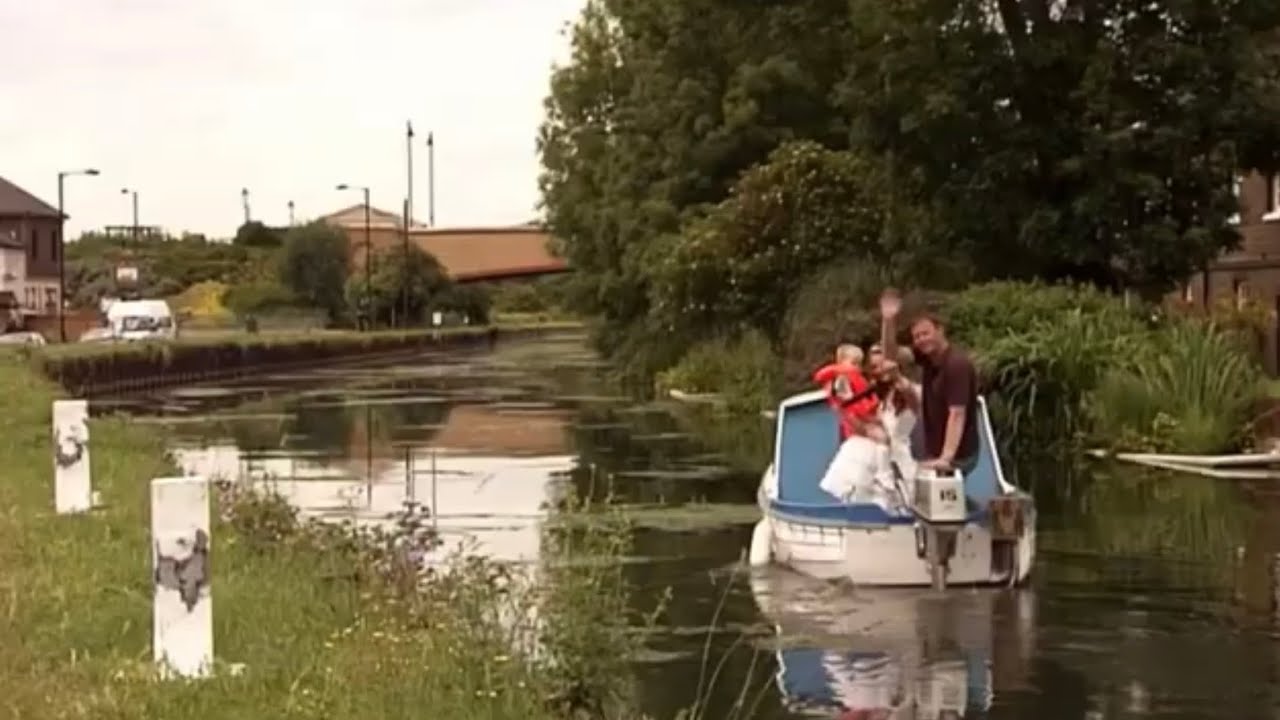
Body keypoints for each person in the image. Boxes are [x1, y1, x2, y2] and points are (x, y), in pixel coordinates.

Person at [879, 291, 979, 474]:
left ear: (940, 330)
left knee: (943, 497)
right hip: (935, 450)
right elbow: (889, 357)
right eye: (916, 337)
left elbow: (957, 414)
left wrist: (946, 458)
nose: (921, 340)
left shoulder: (957, 365)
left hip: (959, 454)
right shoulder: (928, 358)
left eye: (925, 333)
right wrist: (888, 321)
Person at [813, 343, 879, 440]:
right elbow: (848, 406)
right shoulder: (840, 381)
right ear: (841, 362)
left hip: (863, 421)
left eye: (859, 364)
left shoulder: (854, 380)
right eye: (854, 363)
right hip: (856, 426)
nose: (857, 368)